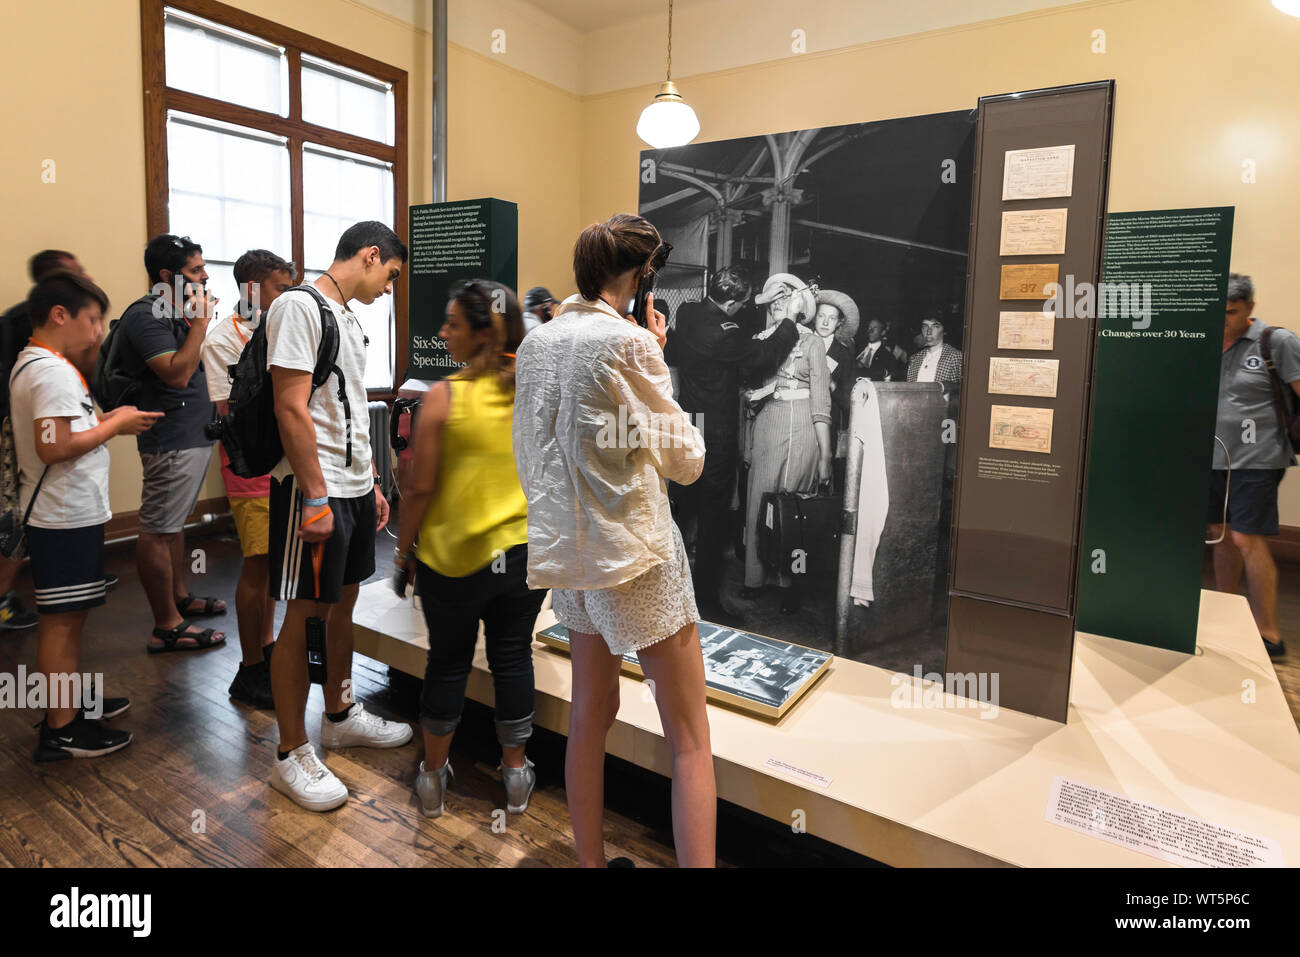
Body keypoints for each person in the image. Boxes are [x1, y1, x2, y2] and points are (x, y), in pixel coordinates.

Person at [514, 213, 714, 867]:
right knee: (689, 737)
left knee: (588, 718)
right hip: (637, 554)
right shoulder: (629, 343)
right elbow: (686, 458)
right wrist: (656, 351)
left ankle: (591, 864)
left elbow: (532, 452)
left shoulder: (541, 342)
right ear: (636, 278)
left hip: (572, 554)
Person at [266, 220, 410, 812]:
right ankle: (290, 752)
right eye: (391, 276)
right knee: (303, 614)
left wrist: (372, 482)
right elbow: (289, 406)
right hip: (312, 488)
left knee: (344, 600)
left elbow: (351, 407)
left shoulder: (347, 314)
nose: (390, 289)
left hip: (349, 486)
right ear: (370, 255)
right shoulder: (300, 307)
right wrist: (318, 494)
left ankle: (341, 712)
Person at [393, 280, 546, 818]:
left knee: (449, 663)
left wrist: (403, 552)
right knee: (511, 657)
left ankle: (433, 779)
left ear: (483, 331)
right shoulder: (532, 392)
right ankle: (515, 775)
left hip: (452, 561)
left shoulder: (444, 398)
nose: (442, 332)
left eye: (453, 323)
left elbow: (418, 487)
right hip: (522, 552)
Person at [11, 272, 163, 760]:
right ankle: (62, 729)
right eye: (93, 319)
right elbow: (53, 447)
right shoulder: (50, 371)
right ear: (61, 315)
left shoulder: (40, 364)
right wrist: (115, 422)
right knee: (62, 620)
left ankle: (69, 705)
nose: (99, 330)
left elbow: (63, 431)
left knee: (69, 617)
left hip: (64, 512)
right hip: (62, 514)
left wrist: (107, 423)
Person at [665, 265, 797, 620]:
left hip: (691, 425)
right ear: (733, 305)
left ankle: (669, 590)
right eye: (741, 304)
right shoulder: (728, 336)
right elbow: (765, 357)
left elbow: (719, 313)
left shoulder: (688, 311)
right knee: (713, 518)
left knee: (682, 507)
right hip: (717, 436)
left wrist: (759, 300)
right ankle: (705, 602)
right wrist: (790, 322)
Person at [117, 234, 227, 653]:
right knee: (158, 530)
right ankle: (166, 626)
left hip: (191, 435)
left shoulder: (174, 312)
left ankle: (179, 598)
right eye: (195, 270)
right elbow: (177, 375)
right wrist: (200, 323)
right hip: (170, 440)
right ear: (167, 276)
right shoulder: (145, 316)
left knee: (173, 524)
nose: (204, 276)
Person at [200, 249, 297, 708]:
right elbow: (231, 412)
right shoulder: (222, 340)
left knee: (274, 563)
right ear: (253, 289)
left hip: (283, 462)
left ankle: (267, 646)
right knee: (257, 563)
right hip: (250, 463)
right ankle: (250, 667)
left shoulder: (279, 328)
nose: (288, 297)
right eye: (281, 288)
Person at [0, 250, 95, 633]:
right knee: (14, 521)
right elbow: (54, 446)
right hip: (20, 439)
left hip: (31, 434)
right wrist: (111, 425)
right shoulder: (38, 355)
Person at [1209, 274, 1298, 658]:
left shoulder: (1276, 342)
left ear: (1249, 310)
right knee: (1220, 533)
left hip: (1258, 458)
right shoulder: (1204, 342)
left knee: (1247, 538)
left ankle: (1269, 633)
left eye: (1231, 312)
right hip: (1213, 456)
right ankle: (1226, 613)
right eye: (1218, 312)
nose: (1224, 319)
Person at [740, 273, 832, 614]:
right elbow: (750, 395)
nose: (778, 303)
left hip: (806, 428)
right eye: (773, 299)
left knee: (795, 510)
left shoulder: (813, 344)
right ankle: (754, 578)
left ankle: (792, 584)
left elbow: (822, 401)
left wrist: (825, 455)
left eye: (785, 298)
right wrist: (747, 441)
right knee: (759, 500)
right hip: (768, 424)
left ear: (799, 306)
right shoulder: (761, 340)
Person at [906, 315, 962, 387]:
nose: (929, 332)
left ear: (944, 330)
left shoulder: (956, 357)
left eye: (935, 326)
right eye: (925, 326)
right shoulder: (914, 359)